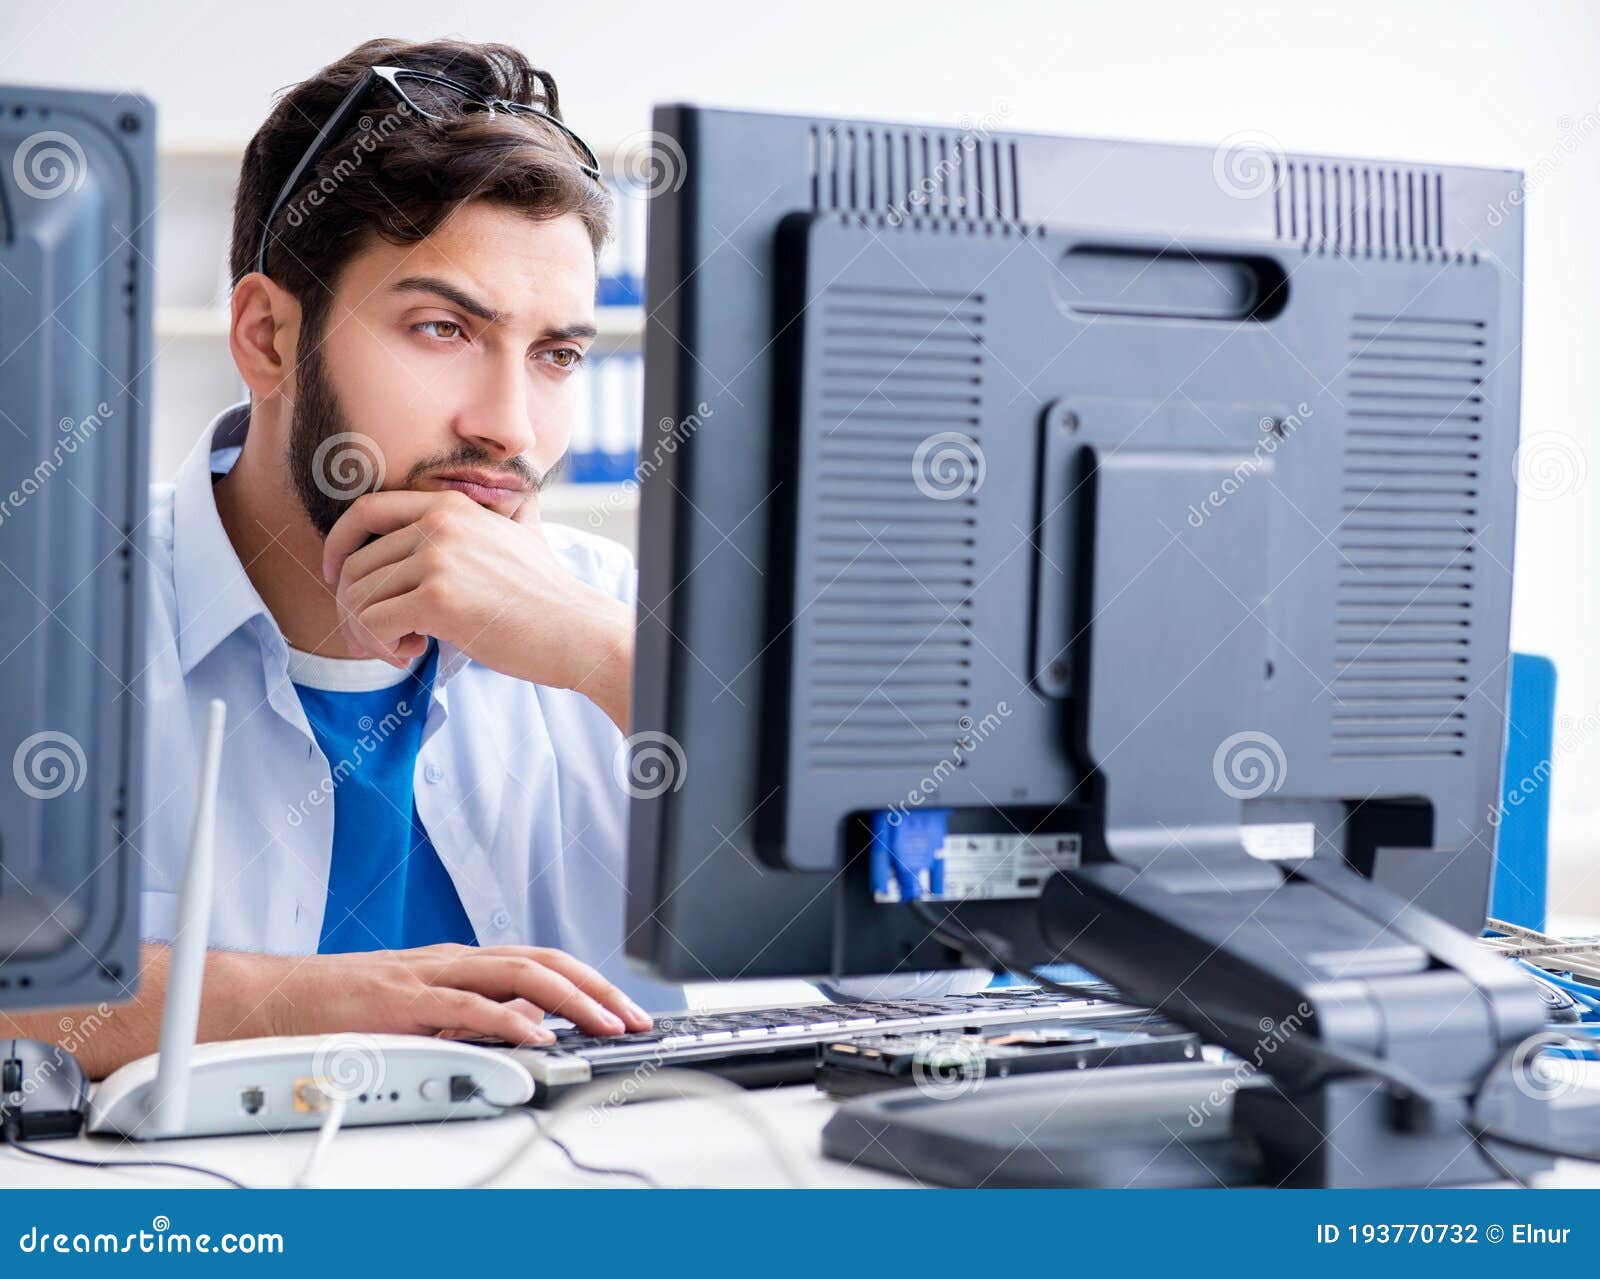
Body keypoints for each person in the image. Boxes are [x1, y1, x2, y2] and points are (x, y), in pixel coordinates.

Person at [3, 37, 665, 1077]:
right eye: (443, 328)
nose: (510, 428)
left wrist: (609, 656)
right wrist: (308, 1002)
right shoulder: (46, 605)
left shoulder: (621, 619)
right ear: (267, 337)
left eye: (556, 355)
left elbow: (907, 946)